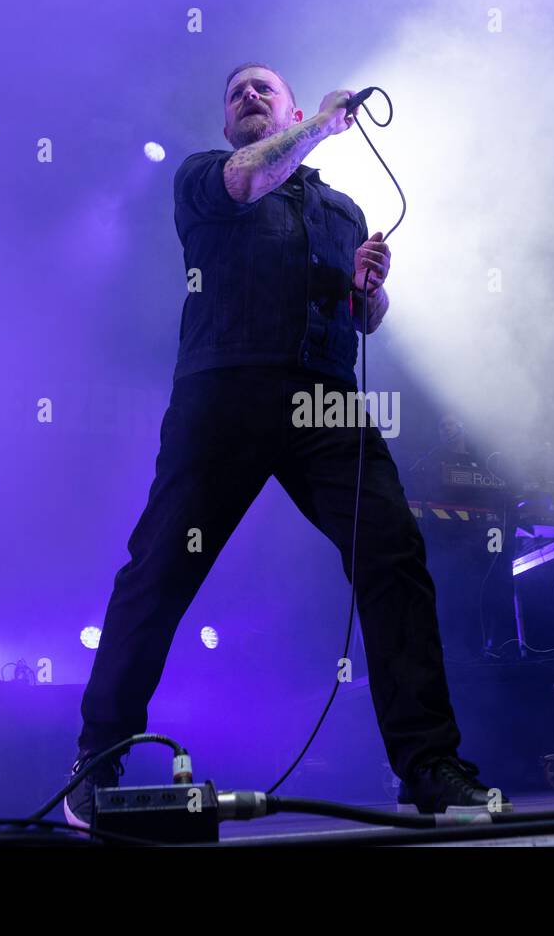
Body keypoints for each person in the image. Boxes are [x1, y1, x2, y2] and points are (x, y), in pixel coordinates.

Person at [64, 63, 506, 826]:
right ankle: (97, 761)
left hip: (323, 398)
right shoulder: (207, 175)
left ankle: (429, 766)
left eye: (264, 88)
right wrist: (322, 125)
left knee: (392, 552)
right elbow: (248, 180)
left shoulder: (342, 209)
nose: (248, 97)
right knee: (160, 569)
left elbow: (362, 320)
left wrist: (371, 292)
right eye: (236, 93)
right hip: (223, 393)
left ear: (291, 106)